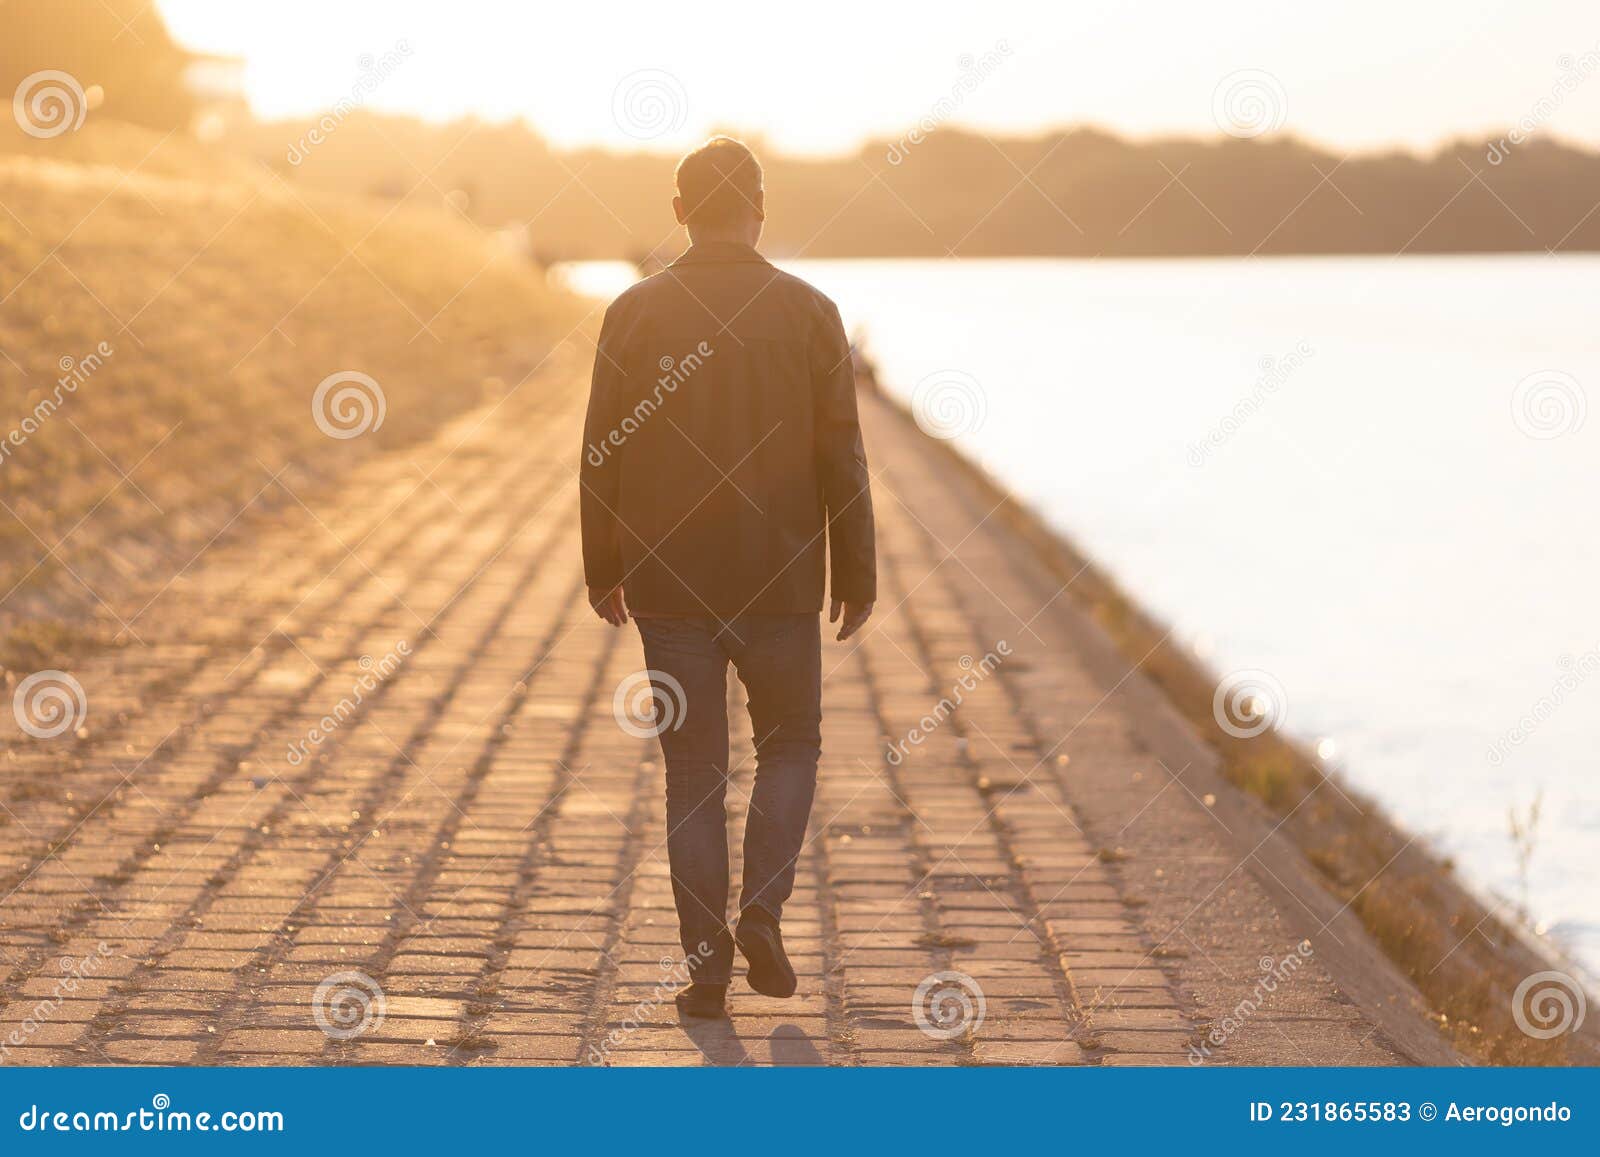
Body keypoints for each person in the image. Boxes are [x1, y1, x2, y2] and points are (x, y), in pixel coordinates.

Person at [580, 137, 876, 1019]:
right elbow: (844, 455)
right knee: (791, 746)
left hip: (670, 584)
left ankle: (706, 970)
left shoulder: (633, 312)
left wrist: (605, 568)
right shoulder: (811, 312)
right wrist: (855, 571)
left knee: (692, 775)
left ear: (678, 212)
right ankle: (763, 912)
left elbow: (601, 452)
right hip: (782, 579)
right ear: (759, 207)